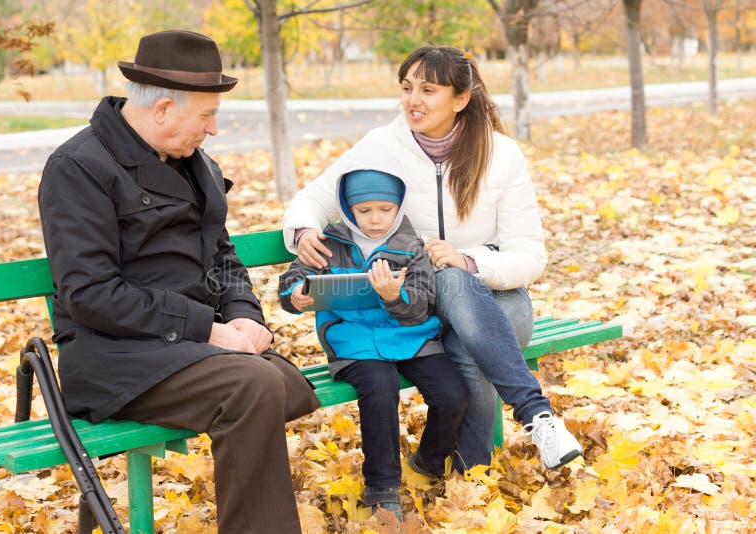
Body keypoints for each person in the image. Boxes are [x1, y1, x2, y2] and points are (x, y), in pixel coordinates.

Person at [38, 30, 320, 533]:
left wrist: (244, 315)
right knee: (255, 385)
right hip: (114, 357)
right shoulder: (79, 167)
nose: (214, 129)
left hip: (185, 348)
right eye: (207, 115)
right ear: (164, 109)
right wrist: (207, 329)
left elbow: (223, 255)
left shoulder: (197, 164)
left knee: (282, 384)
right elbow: (90, 294)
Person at [282, 45, 582, 471]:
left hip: (499, 299)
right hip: (417, 302)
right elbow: (313, 198)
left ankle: (470, 466)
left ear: (460, 99)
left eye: (428, 90)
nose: (413, 100)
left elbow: (530, 255)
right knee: (456, 316)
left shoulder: (501, 155)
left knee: (460, 304)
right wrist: (304, 229)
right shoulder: (381, 146)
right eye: (407, 88)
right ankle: (524, 427)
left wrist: (469, 261)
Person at [277, 161, 467, 519]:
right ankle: (382, 485)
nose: (376, 219)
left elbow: (422, 303)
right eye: (364, 211)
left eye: (385, 209)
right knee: (380, 387)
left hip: (411, 337)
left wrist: (394, 297)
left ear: (399, 208)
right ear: (349, 209)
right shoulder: (330, 243)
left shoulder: (411, 246)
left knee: (452, 393)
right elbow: (294, 277)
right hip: (355, 343)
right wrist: (295, 293)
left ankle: (428, 459)